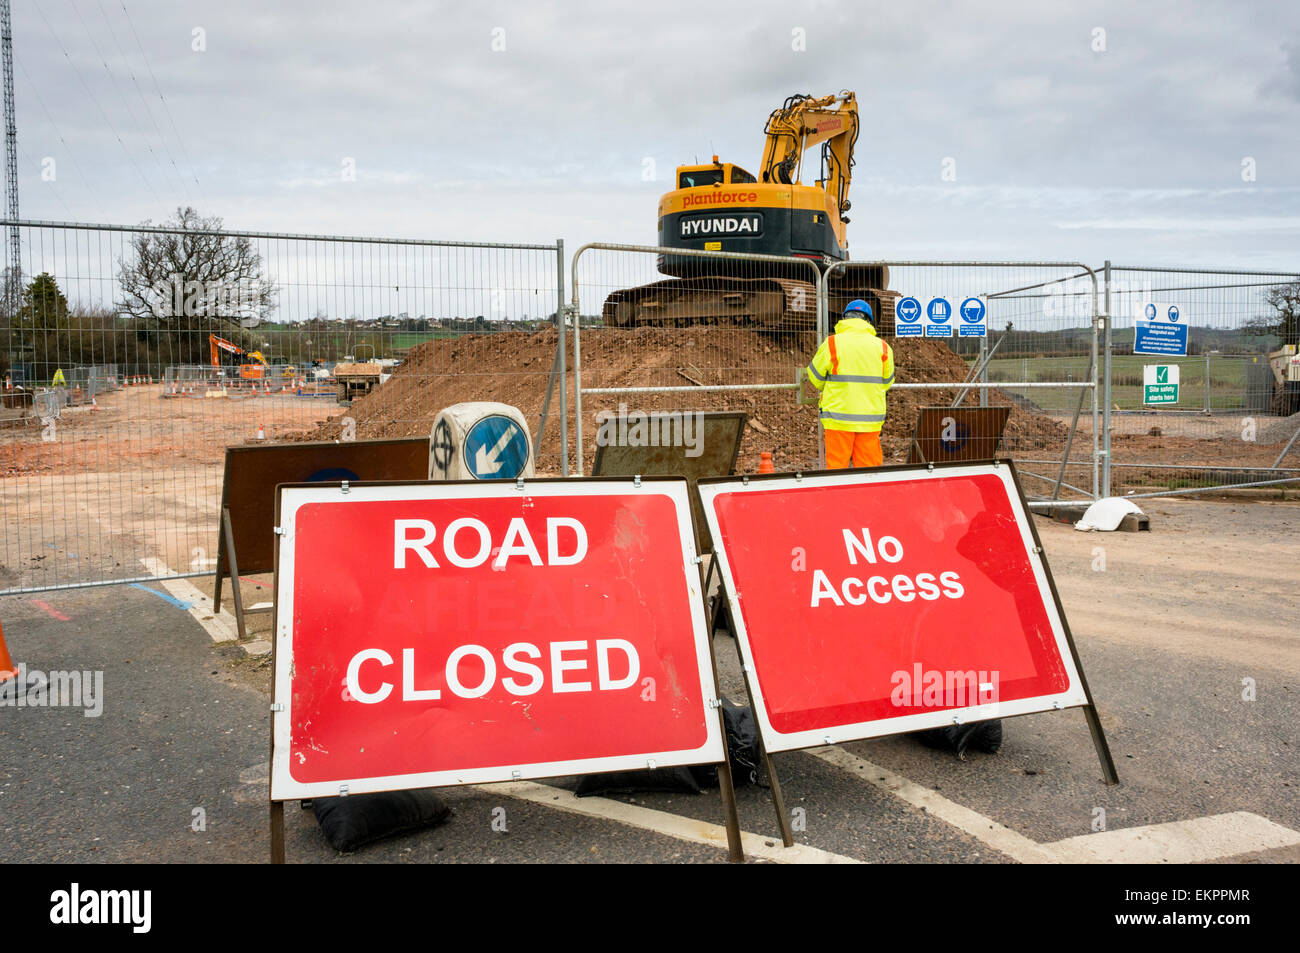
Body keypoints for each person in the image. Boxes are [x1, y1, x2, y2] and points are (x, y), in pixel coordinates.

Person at [806, 299, 895, 469]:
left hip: (838, 417)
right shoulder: (883, 347)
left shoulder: (832, 343)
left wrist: (830, 388)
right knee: (869, 471)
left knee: (837, 470)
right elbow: (887, 382)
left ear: (845, 318)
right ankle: (868, 496)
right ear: (868, 321)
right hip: (870, 419)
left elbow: (815, 376)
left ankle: (839, 496)